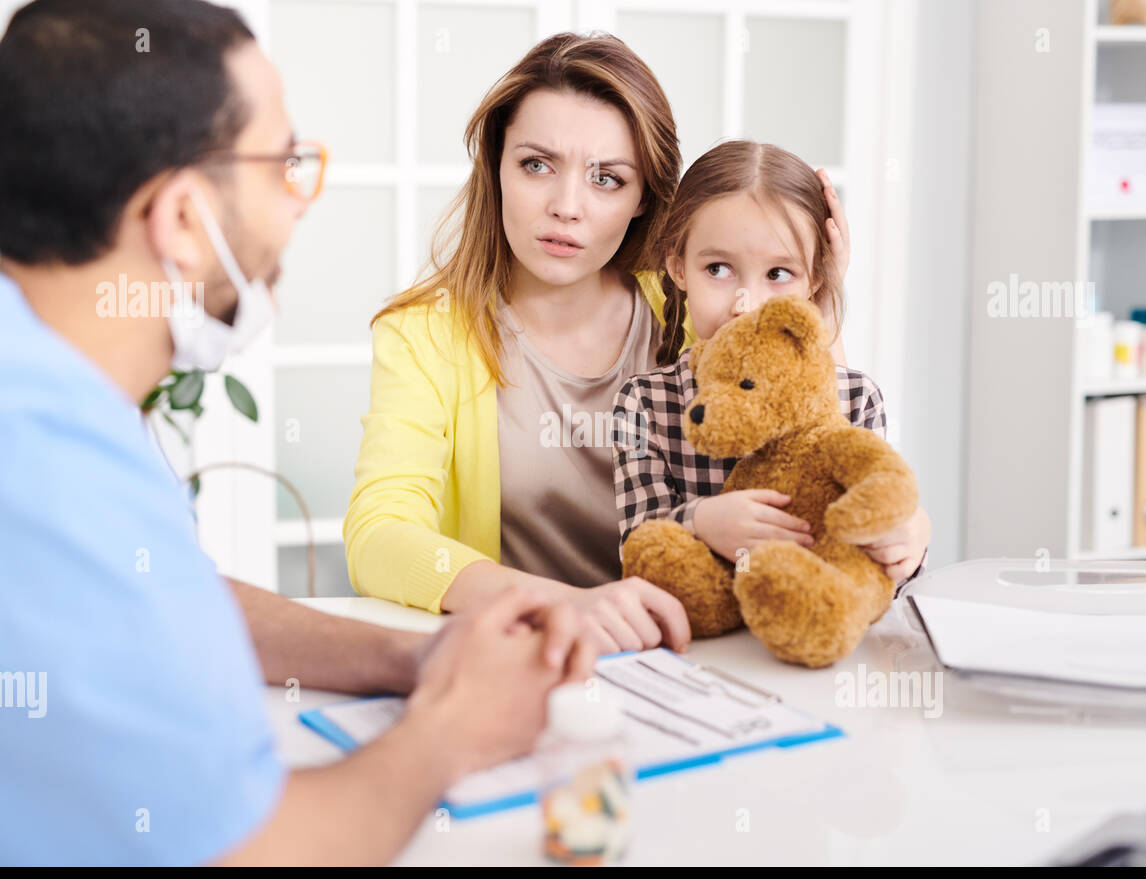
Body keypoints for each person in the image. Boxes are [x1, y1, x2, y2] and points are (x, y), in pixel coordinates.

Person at [0, 0, 595, 866]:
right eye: (285, 163)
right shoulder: (34, 467)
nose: (300, 203)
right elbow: (252, 857)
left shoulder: (1, 352)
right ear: (180, 219)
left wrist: (414, 658)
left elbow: (167, 598)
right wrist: (452, 730)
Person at [344, 34, 852, 654]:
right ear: (496, 168)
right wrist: (571, 605)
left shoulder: (697, 310)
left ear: (645, 198)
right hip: (528, 653)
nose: (566, 207)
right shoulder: (425, 334)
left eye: (607, 179)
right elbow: (379, 535)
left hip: (701, 652)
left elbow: (822, 462)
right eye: (536, 165)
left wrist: (816, 322)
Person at [613, 140, 930, 586]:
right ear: (678, 267)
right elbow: (637, 550)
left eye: (779, 274)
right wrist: (702, 521)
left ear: (814, 281)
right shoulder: (643, 402)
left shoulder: (856, 399)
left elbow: (872, 564)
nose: (747, 304)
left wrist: (910, 537)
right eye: (718, 269)